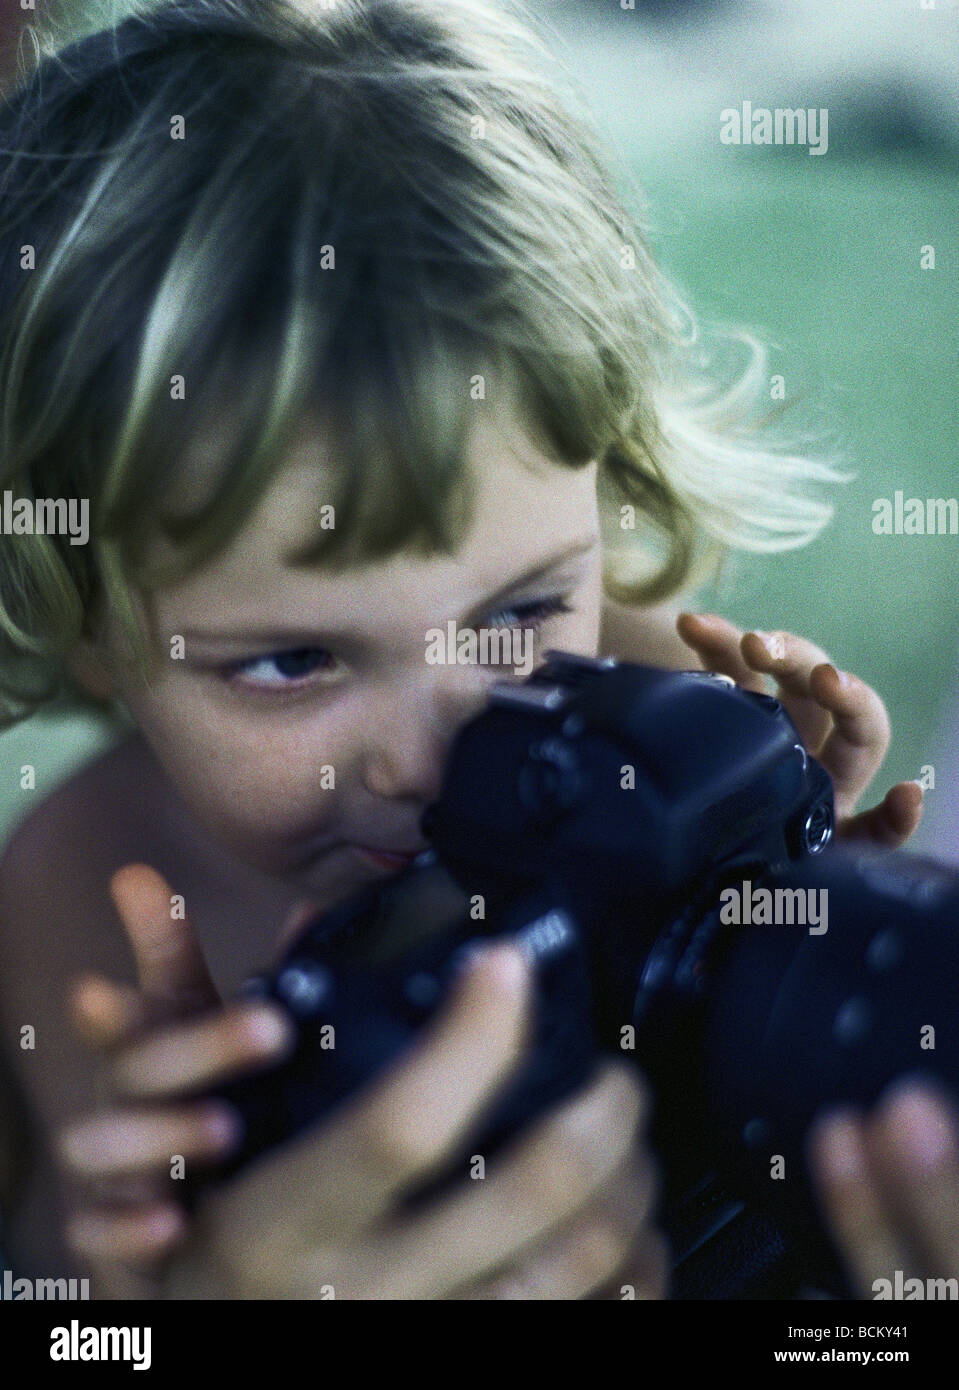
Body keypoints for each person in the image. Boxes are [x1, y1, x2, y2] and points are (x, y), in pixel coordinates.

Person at [0, 0, 942, 1300]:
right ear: (93, 628)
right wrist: (141, 1245)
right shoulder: (89, 892)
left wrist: (796, 875)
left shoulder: (651, 705)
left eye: (516, 614)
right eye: (293, 661)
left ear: (604, 494)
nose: (440, 750)